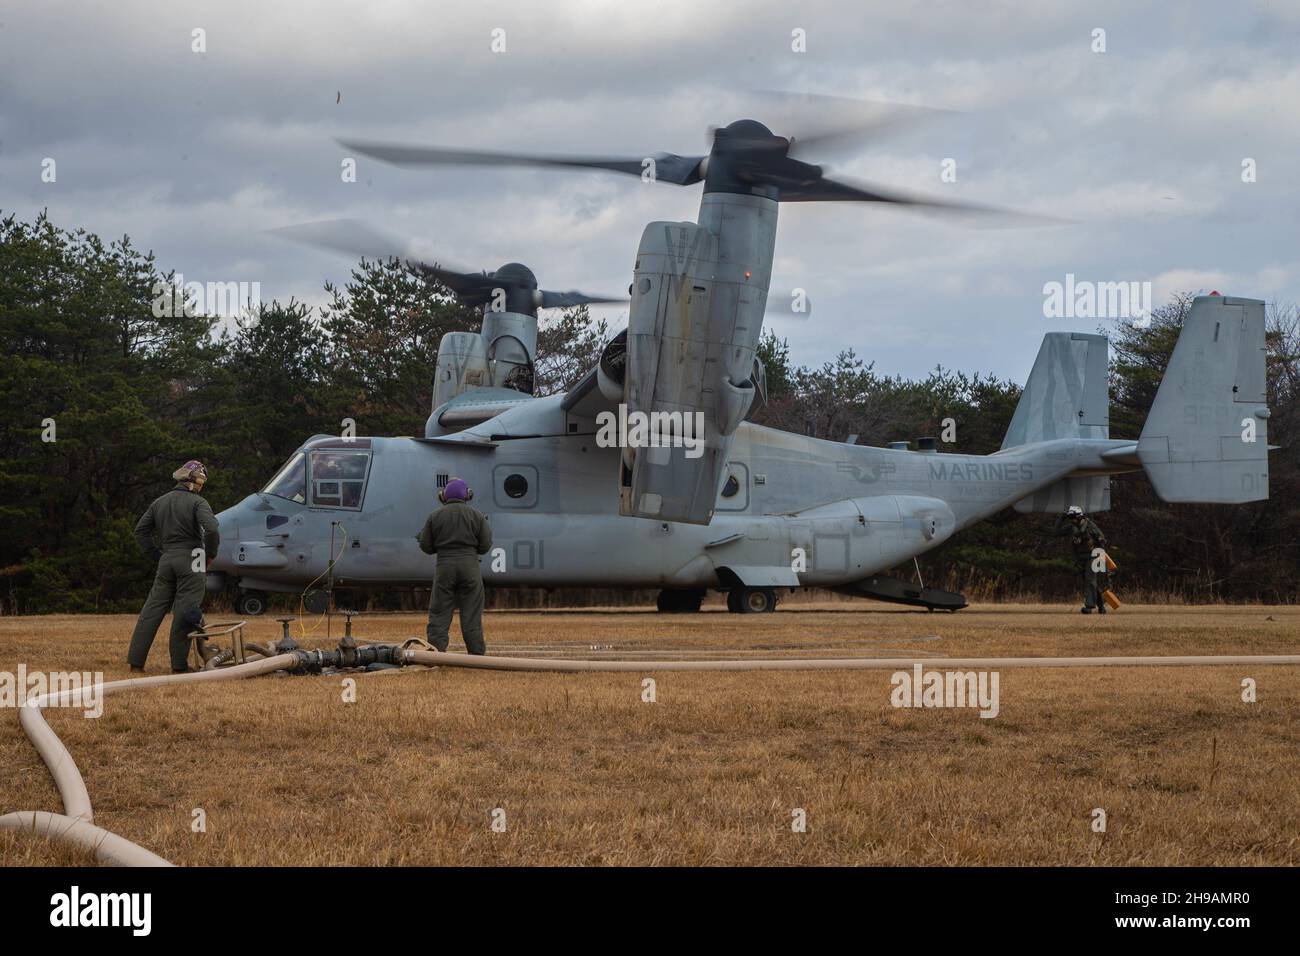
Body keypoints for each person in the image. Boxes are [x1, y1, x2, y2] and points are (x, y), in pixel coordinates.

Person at [127, 460, 220, 672]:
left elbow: (140, 532)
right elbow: (212, 529)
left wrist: (157, 555)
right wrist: (210, 554)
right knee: (186, 611)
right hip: (193, 558)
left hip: (167, 559)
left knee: (151, 611)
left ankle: (135, 663)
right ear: (194, 481)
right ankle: (179, 666)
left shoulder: (159, 502)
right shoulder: (198, 502)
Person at [418, 477, 493, 654]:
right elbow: (485, 545)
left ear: (444, 496)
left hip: (444, 567)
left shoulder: (434, 516)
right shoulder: (477, 515)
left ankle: (436, 655)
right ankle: (476, 656)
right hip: (470, 567)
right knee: (472, 616)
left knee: (439, 613)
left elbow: (426, 546)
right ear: (467, 495)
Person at [1054, 505, 1109, 614]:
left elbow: (1102, 540)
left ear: (1079, 516)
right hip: (1080, 558)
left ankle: (1089, 607)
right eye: (1070, 517)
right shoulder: (1071, 528)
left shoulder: (1089, 526)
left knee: (1090, 580)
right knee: (1089, 582)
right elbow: (1056, 532)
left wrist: (1101, 557)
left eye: (1072, 517)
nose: (1071, 519)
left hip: (1093, 556)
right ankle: (1101, 605)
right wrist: (1061, 518)